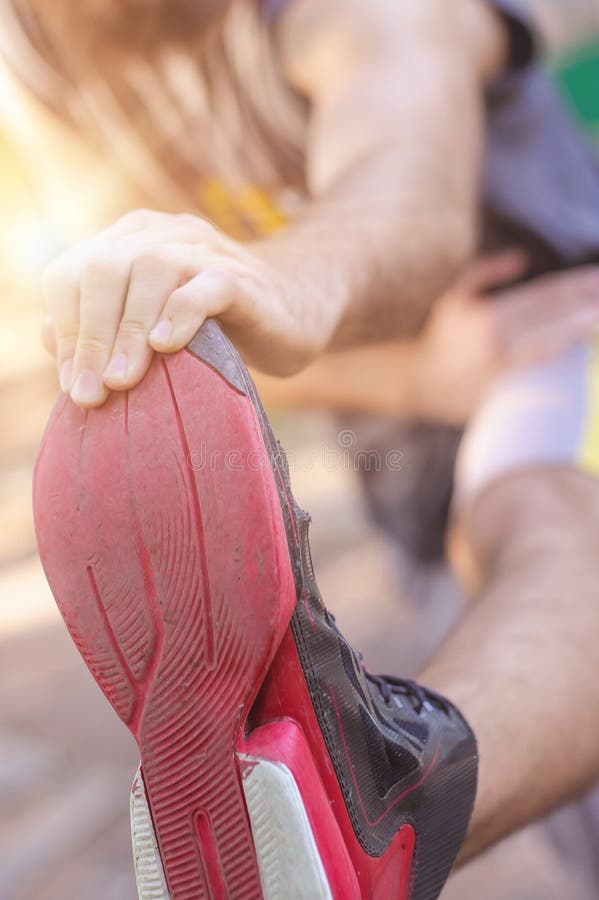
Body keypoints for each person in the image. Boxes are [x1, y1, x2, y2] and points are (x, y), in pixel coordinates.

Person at [9, 0, 599, 896]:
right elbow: (192, 322)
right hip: (403, 451)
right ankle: (343, 809)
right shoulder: (39, 51)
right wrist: (405, 377)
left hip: (551, 333)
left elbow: (401, 181)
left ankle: (374, 811)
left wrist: (284, 277)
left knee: (537, 515)